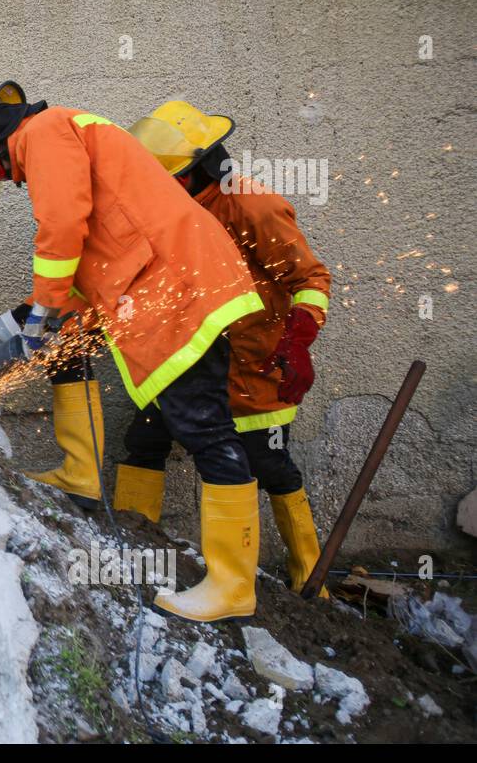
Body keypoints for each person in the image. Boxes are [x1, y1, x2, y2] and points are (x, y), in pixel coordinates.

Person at [0, 83, 267, 623]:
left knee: (204, 427)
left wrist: (45, 307)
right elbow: (88, 248)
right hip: (157, 280)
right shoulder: (65, 135)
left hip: (176, 284)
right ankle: (82, 474)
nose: (6, 180)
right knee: (69, 352)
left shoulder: (44, 132)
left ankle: (233, 584)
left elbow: (63, 227)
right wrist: (24, 317)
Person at [120, 101, 332, 595]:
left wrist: (297, 340)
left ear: (197, 170)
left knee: (269, 462)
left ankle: (310, 580)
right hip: (187, 357)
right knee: (145, 441)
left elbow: (311, 278)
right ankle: (129, 551)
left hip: (255, 364)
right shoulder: (177, 210)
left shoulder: (252, 205)